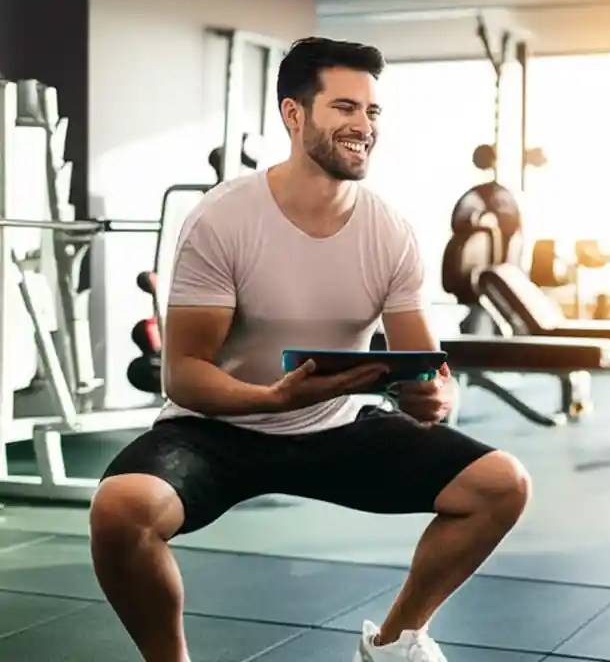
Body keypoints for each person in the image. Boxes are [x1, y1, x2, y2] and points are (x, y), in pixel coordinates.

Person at [88, 37, 531, 662]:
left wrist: (434, 395)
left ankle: (394, 642)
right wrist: (269, 397)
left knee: (501, 484)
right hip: (219, 429)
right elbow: (182, 375)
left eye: (372, 112)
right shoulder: (223, 219)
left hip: (337, 425)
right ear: (294, 115)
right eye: (345, 108)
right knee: (119, 510)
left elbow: (428, 367)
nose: (363, 126)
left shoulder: (391, 231)